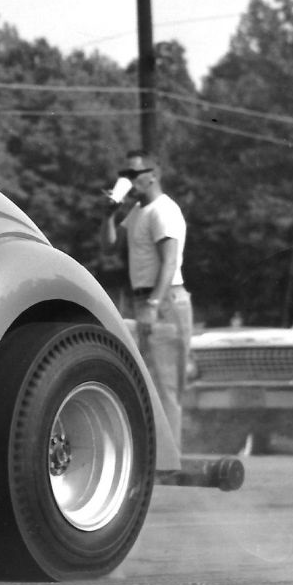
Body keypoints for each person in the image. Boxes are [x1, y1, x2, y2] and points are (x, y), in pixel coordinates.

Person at [100, 150, 192, 451]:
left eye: (134, 173)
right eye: (124, 174)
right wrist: (109, 213)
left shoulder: (163, 210)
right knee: (139, 380)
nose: (128, 179)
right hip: (146, 301)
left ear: (154, 174)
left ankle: (170, 458)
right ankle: (151, 454)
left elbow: (169, 261)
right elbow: (109, 246)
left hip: (164, 301)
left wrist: (153, 305)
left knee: (166, 387)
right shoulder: (138, 212)